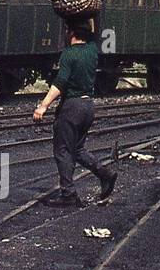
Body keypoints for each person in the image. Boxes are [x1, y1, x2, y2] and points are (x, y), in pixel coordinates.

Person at [32, 19, 117, 207]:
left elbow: (60, 82)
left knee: (62, 150)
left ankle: (68, 194)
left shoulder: (69, 54)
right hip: (88, 106)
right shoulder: (92, 51)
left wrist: (43, 106)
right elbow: (92, 31)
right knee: (77, 149)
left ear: (70, 32)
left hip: (72, 107)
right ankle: (105, 174)